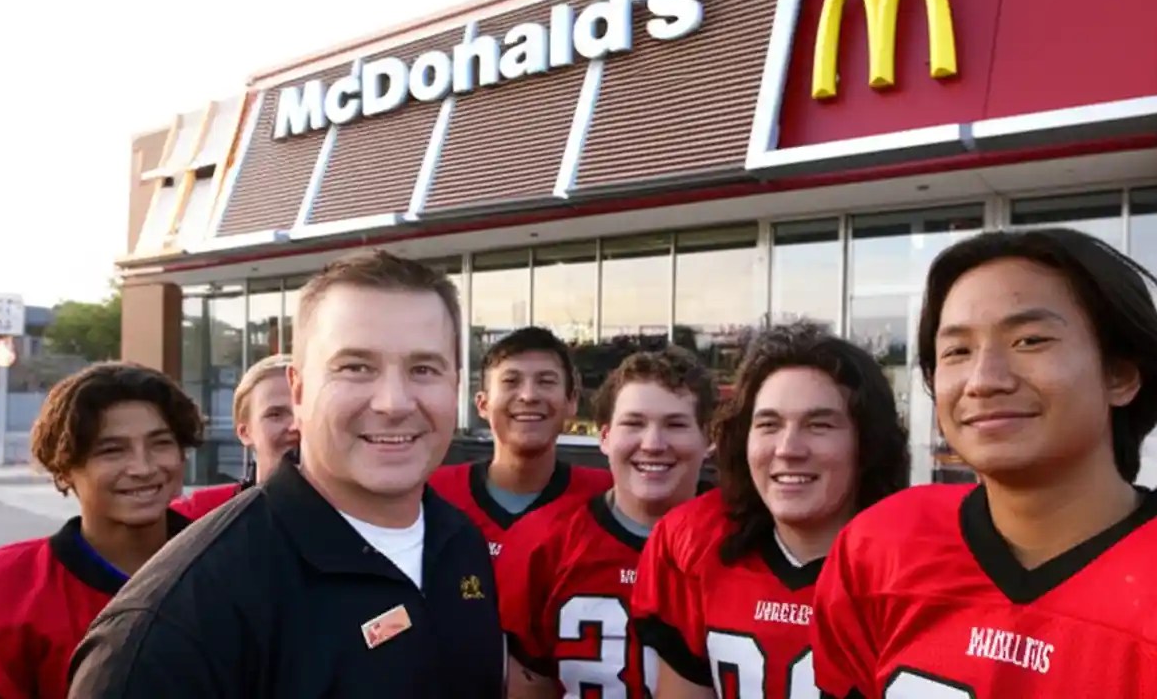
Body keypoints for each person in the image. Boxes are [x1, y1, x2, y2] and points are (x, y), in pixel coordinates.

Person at [811, 228, 1157, 698]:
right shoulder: (881, 547)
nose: (983, 380)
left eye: (1030, 341)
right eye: (956, 351)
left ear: (1120, 375)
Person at [68, 249, 505, 698]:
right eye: (356, 367)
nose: (393, 402)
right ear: (298, 391)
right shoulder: (177, 623)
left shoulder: (460, 543)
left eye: (423, 369)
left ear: (455, 386)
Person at [631, 323, 910, 698]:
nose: (788, 448)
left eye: (819, 424)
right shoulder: (699, 544)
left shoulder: (912, 570)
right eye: (769, 424)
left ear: (866, 442)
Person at [0, 362, 200, 699]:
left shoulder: (235, 566)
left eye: (160, 443)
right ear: (63, 470)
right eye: (112, 450)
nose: (144, 467)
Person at [496, 347, 718, 698]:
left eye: (675, 424)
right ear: (604, 437)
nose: (653, 444)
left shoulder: (743, 542)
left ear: (710, 438)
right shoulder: (543, 542)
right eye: (634, 423)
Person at [429, 326, 612, 560]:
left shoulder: (608, 498)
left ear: (572, 401)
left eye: (546, 381)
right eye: (511, 381)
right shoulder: (432, 495)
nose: (528, 396)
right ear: (483, 404)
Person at [171, 353, 298, 520]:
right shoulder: (201, 514)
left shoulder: (343, 511)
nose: (295, 425)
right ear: (245, 432)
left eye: (305, 412)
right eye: (275, 414)